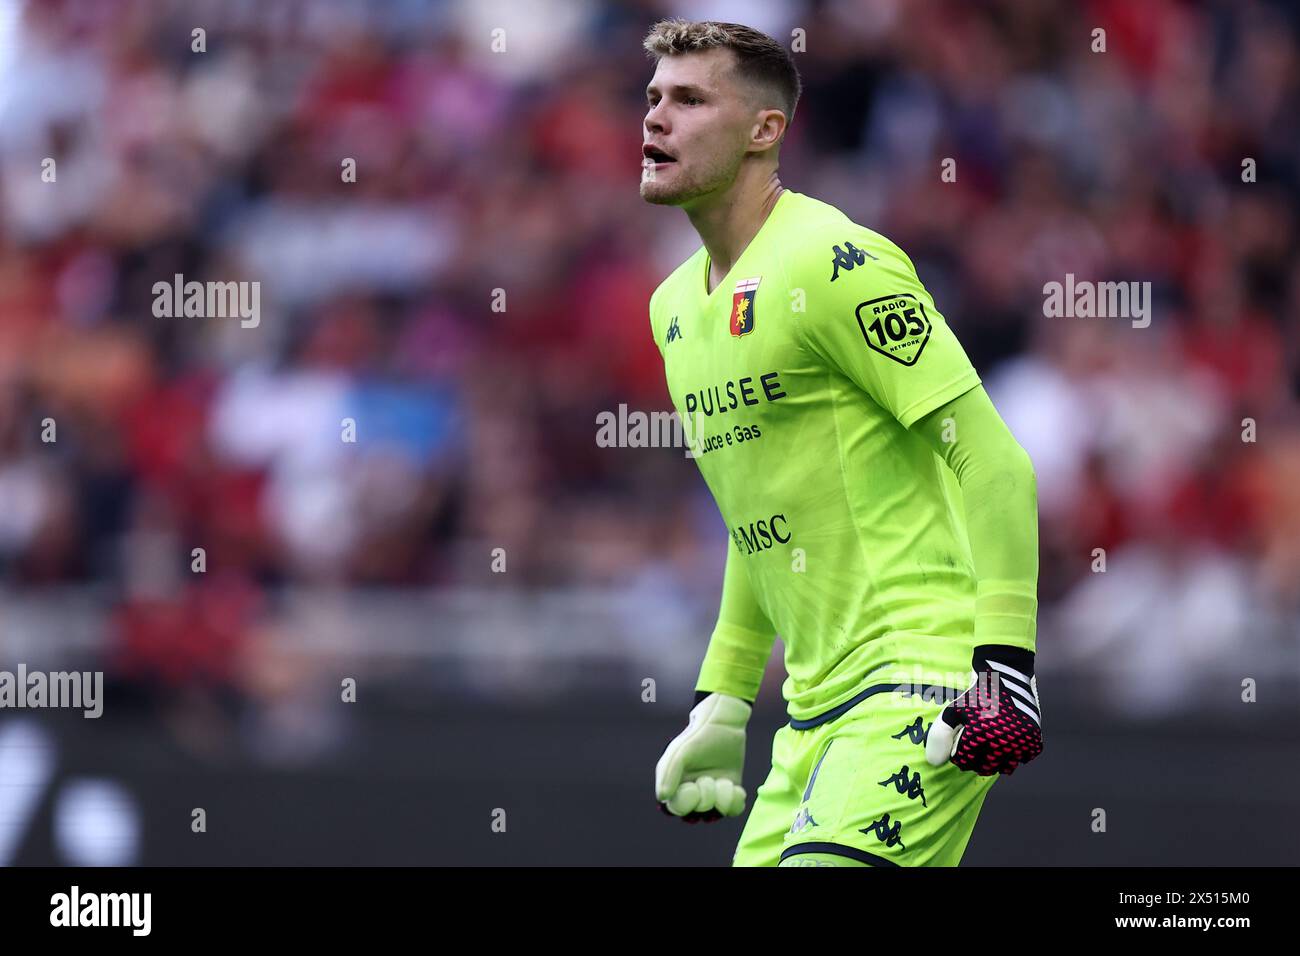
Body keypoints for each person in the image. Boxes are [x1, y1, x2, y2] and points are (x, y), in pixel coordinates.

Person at [641, 19, 1043, 867]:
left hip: (920, 682)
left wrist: (1005, 662)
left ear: (764, 130)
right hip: (810, 717)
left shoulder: (834, 263)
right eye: (652, 98)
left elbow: (993, 457)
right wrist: (725, 700)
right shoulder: (672, 308)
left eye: (688, 99)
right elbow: (757, 519)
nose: (655, 119)